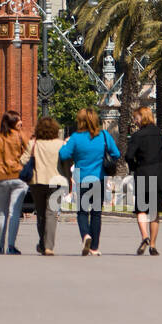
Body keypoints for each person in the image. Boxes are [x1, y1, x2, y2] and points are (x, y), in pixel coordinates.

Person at [58, 108, 120, 257]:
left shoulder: (76, 137)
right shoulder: (104, 135)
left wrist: (65, 144)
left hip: (82, 179)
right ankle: (94, 247)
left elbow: (63, 154)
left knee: (82, 212)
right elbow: (116, 154)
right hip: (99, 178)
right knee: (96, 213)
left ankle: (85, 235)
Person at [0, 111, 27, 254]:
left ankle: (0, 244)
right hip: (19, 177)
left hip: (0, 178)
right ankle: (11, 246)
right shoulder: (20, 136)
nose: (21, 123)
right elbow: (29, 152)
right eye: (19, 121)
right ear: (14, 122)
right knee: (14, 212)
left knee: (2, 212)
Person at [125, 106, 162, 256]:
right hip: (159, 174)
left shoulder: (137, 136)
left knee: (141, 209)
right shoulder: (161, 133)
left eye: (136, 118)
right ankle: (153, 245)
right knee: (154, 212)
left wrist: (134, 167)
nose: (135, 121)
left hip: (143, 173)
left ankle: (144, 236)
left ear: (142, 118)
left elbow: (129, 156)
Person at [23, 117, 68, 255]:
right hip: (57, 182)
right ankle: (48, 246)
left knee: (41, 214)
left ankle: (42, 243)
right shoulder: (61, 144)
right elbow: (66, 162)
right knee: (52, 214)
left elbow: (23, 160)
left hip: (37, 182)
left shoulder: (33, 143)